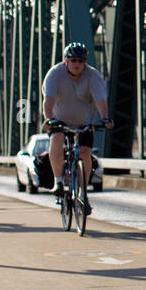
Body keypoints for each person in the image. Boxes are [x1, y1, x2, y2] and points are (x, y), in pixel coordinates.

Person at [42, 42, 111, 217]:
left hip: (84, 122)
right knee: (56, 139)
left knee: (85, 152)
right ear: (66, 61)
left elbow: (100, 100)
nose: (77, 64)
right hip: (60, 121)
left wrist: (104, 118)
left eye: (81, 60)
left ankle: (83, 192)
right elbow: (48, 101)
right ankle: (58, 182)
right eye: (73, 60)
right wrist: (49, 119)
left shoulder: (93, 76)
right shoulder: (55, 74)